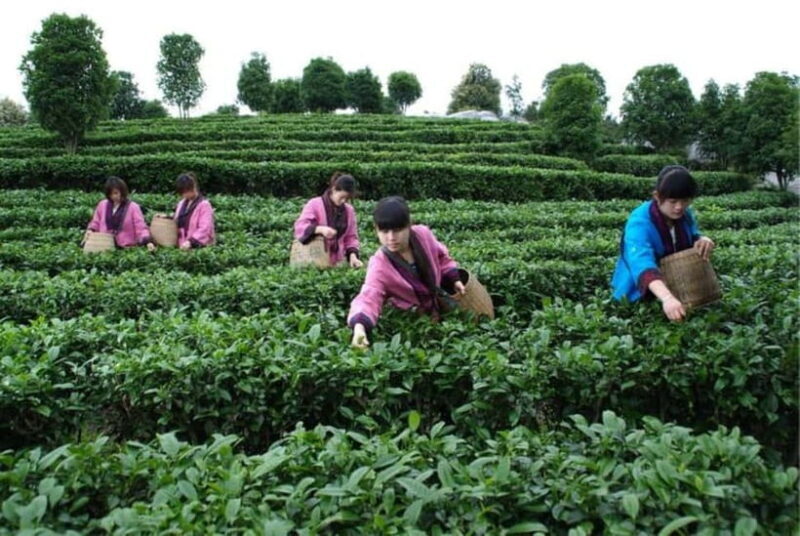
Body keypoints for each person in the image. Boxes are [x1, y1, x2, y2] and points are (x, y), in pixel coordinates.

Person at [348, 196, 466, 348]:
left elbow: (441, 257)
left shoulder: (423, 235)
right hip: (413, 327)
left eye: (397, 230)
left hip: (441, 313)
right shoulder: (379, 264)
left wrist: (453, 278)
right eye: (384, 231)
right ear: (376, 229)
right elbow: (369, 296)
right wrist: (359, 327)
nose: (391, 238)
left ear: (409, 225)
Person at [611, 165, 715, 322]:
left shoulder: (685, 215)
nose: (679, 207)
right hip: (639, 295)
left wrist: (702, 239)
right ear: (657, 196)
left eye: (685, 200)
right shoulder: (639, 223)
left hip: (681, 289)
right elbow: (641, 263)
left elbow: (693, 234)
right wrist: (667, 298)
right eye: (673, 201)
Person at [293, 172, 362, 268]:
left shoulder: (349, 210)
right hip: (314, 259)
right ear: (334, 189)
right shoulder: (314, 204)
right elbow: (300, 227)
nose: (344, 201)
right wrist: (320, 229)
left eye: (347, 198)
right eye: (342, 197)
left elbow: (351, 237)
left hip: (338, 264)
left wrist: (353, 256)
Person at [85, 176, 155, 251]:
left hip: (127, 249)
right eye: (110, 194)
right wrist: (90, 230)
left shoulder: (133, 207)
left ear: (122, 191)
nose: (113, 196)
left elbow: (140, 227)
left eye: (116, 193)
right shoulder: (102, 205)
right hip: (104, 247)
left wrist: (148, 242)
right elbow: (95, 222)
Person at [172, 172, 216, 250]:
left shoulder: (204, 205)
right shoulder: (181, 204)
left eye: (187, 191)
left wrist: (191, 242)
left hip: (198, 248)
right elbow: (178, 221)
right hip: (181, 246)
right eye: (183, 192)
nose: (185, 195)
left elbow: (205, 228)